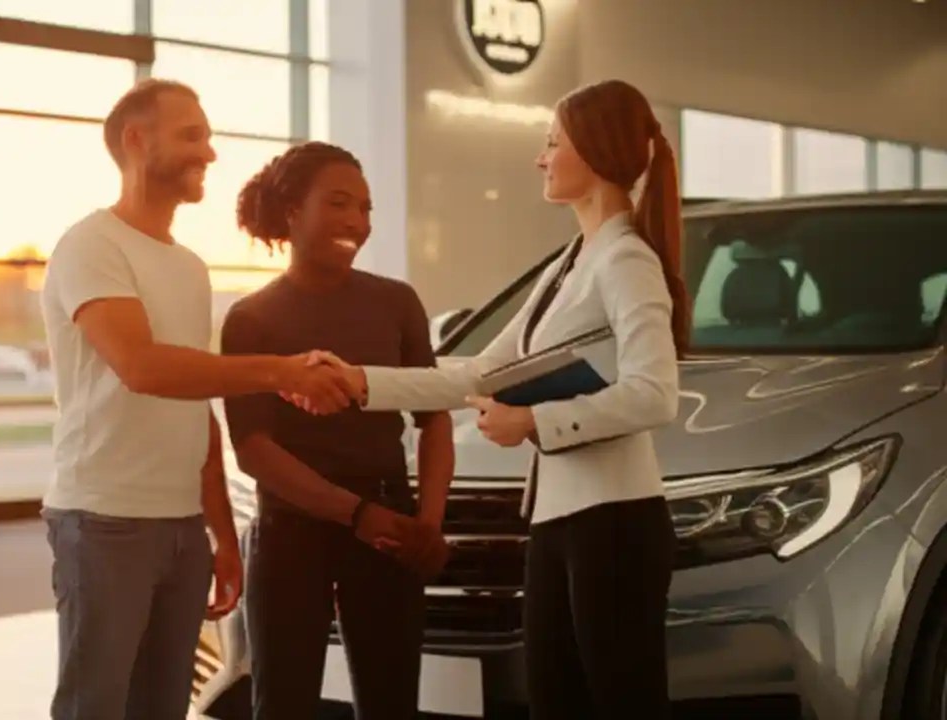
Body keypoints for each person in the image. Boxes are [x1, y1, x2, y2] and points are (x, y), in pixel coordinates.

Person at [295, 79, 689, 719]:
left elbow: (654, 394)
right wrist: (359, 381)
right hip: (562, 524)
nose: (541, 157)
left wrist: (533, 420)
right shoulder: (571, 261)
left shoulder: (625, 260)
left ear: (591, 151)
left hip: (614, 525)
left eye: (552, 142)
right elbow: (477, 371)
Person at [38, 79, 358, 720]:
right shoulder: (91, 245)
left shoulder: (188, 267)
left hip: (180, 526)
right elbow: (142, 367)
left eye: (208, 137)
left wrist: (219, 531)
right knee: (93, 707)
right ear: (136, 140)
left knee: (162, 709)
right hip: (104, 521)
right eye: (192, 136)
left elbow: (196, 394)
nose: (209, 153)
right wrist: (281, 372)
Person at [220, 141, 454, 720]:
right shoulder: (251, 318)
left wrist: (427, 521)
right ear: (293, 210)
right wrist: (356, 515)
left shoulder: (397, 303)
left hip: (390, 523)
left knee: (391, 702)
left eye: (366, 209)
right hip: (291, 531)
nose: (357, 222)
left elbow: (435, 415)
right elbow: (253, 449)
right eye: (340, 204)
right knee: (285, 704)